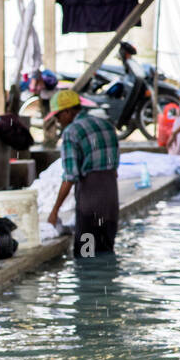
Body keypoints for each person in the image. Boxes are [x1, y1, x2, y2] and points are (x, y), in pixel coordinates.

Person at [45, 88, 121, 258]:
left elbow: (70, 176)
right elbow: (114, 169)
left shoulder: (71, 132)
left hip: (90, 205)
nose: (58, 121)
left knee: (86, 257)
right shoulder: (107, 126)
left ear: (68, 112)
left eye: (58, 116)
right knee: (106, 253)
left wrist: (55, 211)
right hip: (111, 203)